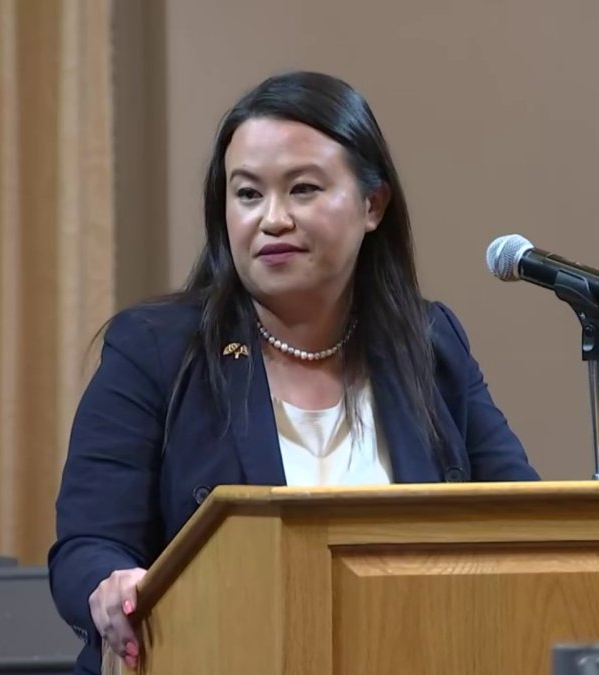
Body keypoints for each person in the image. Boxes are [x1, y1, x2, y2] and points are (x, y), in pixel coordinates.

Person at [47, 70, 539, 673]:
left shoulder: (429, 344)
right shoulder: (155, 350)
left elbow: (526, 525)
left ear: (372, 204)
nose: (271, 219)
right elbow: (86, 547)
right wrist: (110, 585)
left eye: (302, 189)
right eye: (248, 194)